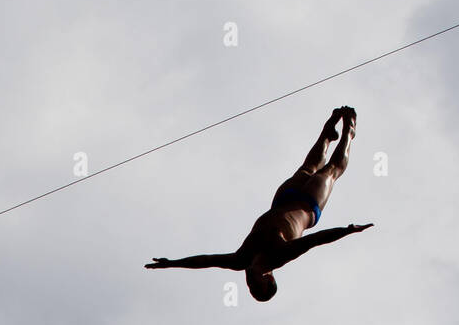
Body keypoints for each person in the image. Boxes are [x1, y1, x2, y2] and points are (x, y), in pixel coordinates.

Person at [145, 106, 372, 300]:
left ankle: (326, 133)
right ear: (269, 276)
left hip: (283, 198)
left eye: (250, 287)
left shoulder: (240, 259)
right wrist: (347, 230)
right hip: (307, 204)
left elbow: (205, 261)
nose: (250, 282)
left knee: (307, 166)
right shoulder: (279, 255)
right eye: (257, 284)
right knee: (331, 171)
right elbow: (315, 240)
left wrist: (171, 263)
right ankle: (348, 133)